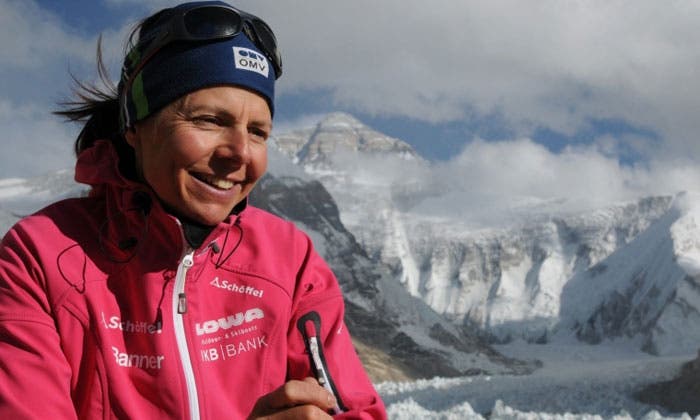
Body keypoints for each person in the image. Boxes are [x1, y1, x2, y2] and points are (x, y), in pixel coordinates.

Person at [0, 1, 386, 419]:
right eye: (209, 120)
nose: (240, 152)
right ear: (135, 125)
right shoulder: (41, 256)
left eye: (258, 131)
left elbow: (355, 409)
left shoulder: (290, 260)